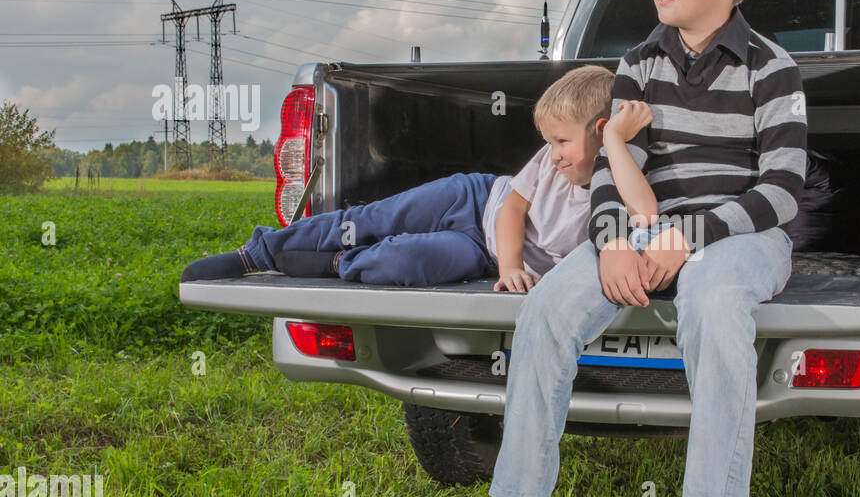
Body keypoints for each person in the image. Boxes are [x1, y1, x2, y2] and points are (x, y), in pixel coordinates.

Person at [447, 0, 807, 497]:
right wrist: (611, 240)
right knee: (547, 305)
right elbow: (619, 167)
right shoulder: (637, 63)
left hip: (740, 239)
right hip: (642, 234)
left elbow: (782, 190)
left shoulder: (773, 69)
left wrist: (689, 235)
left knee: (712, 299)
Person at [178, 65, 642, 291]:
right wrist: (511, 269)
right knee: (373, 218)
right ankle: (257, 250)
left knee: (412, 260)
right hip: (476, 201)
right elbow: (514, 210)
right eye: (551, 143)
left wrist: (502, 267)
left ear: (603, 133)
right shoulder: (548, 160)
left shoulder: (614, 193)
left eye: (562, 142)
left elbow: (641, 216)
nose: (555, 153)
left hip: (476, 254)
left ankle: (338, 264)